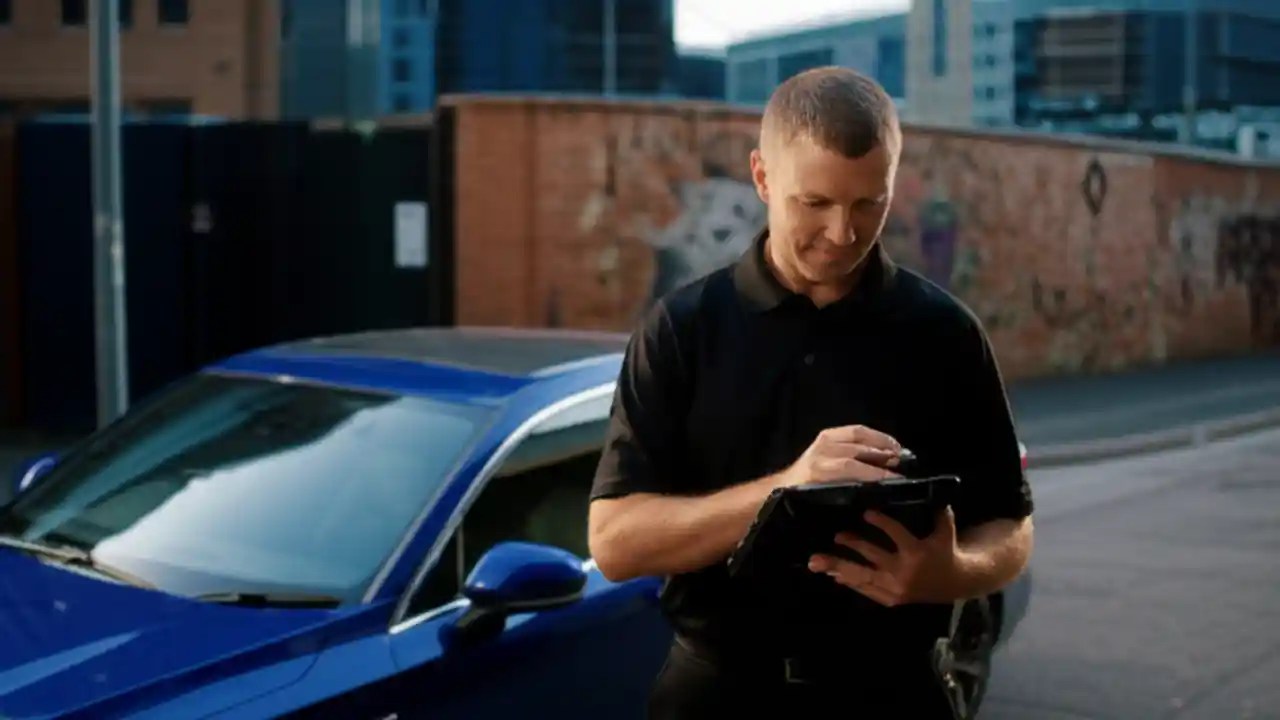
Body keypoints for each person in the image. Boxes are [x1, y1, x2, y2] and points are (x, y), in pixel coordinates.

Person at [587, 66, 1035, 718]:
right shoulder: (682, 331)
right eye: (815, 203)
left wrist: (953, 573)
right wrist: (787, 491)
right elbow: (615, 543)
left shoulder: (946, 334)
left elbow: (1011, 527)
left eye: (868, 204)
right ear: (763, 177)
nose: (843, 233)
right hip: (717, 696)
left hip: (895, 695)